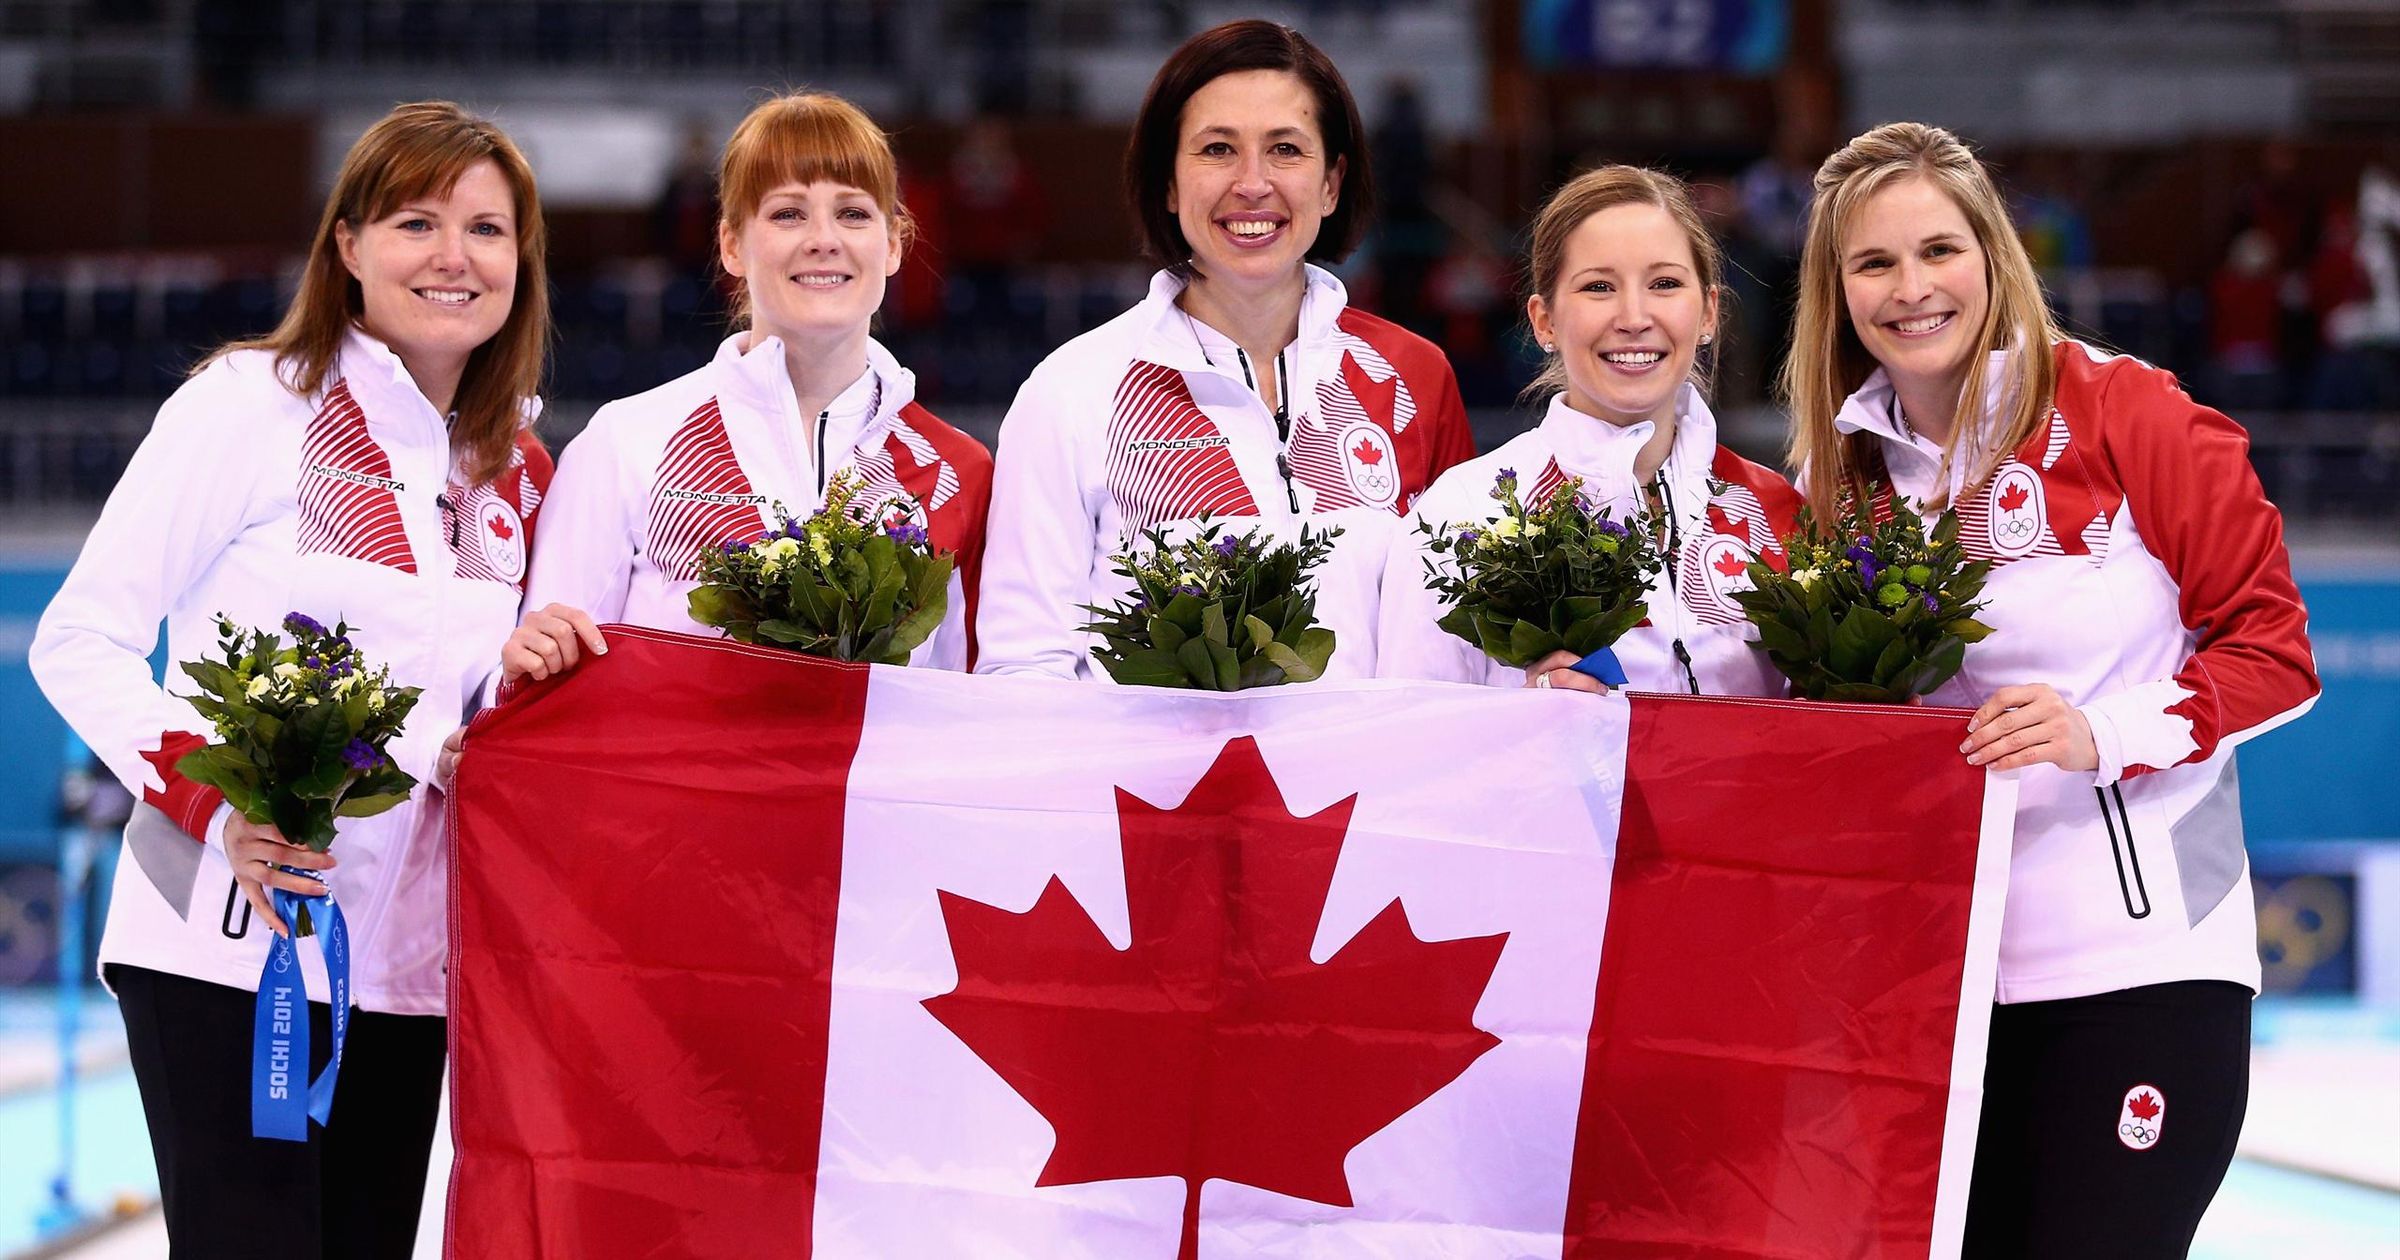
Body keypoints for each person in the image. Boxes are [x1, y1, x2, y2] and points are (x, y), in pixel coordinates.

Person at [29, 101, 569, 1257]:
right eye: (416, 222)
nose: (452, 256)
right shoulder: (253, 405)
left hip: (408, 969)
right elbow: (78, 639)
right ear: (348, 247)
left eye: (486, 229)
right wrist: (215, 805)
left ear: (520, 262)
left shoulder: (518, 468)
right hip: (231, 941)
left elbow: (465, 714)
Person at [1781, 122, 2320, 1257]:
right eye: (1873, 264)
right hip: (1937, 987)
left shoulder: (2132, 412)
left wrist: (2099, 730)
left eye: (1940, 251)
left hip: (2141, 969)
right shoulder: (1839, 482)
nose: (1912, 288)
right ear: (1835, 293)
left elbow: (2274, 649)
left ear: (1994, 255)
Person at [975, 19, 1476, 683]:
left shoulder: (1413, 376)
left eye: (1286, 150)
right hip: (1152, 790)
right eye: (1217, 149)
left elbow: (1462, 640)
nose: (1252, 183)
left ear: (1331, 183)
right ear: (1169, 183)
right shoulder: (1073, 390)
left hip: (1373, 788)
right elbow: (1024, 669)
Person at [520, 92, 992, 672]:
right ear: (732, 245)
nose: (823, 238)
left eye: (853, 213)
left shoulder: (959, 472)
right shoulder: (626, 442)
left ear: (892, 245)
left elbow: (974, 707)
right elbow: (548, 687)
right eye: (788, 213)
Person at [1378, 166, 1800, 694]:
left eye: (1664, 284)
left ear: (1709, 311)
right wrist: (1526, 725)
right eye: (1599, 287)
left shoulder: (1774, 507)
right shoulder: (1461, 515)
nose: (1633, 316)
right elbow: (1411, 749)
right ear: (1544, 321)